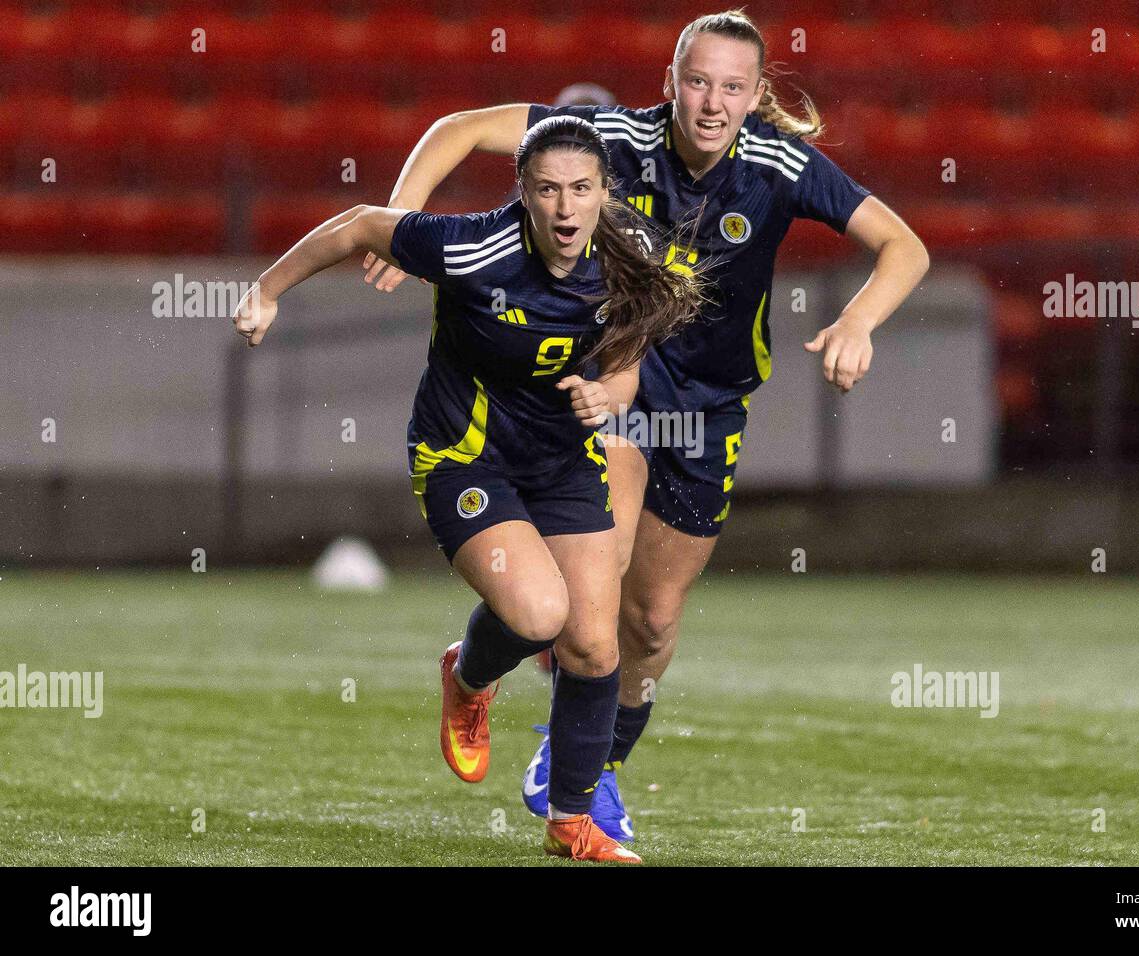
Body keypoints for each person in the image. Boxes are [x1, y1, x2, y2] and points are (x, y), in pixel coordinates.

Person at [361, 9, 930, 842]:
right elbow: (460, 129)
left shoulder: (778, 164)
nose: (711, 102)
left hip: (711, 407)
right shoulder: (616, 139)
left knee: (654, 620)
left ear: (755, 94)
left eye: (732, 87)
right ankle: (565, 779)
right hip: (614, 386)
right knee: (594, 601)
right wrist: (400, 216)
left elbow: (904, 247)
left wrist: (859, 322)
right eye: (697, 81)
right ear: (670, 82)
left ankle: (595, 760)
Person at [233, 115, 701, 863]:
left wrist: (609, 395)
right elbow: (356, 226)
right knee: (542, 612)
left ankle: (571, 824)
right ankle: (469, 673)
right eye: (547, 190)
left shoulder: (631, 255)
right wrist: (267, 290)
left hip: (562, 461)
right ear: (522, 193)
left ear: (605, 193)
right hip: (464, 458)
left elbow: (629, 357)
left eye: (582, 189)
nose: (566, 208)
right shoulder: (470, 246)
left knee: (591, 642)